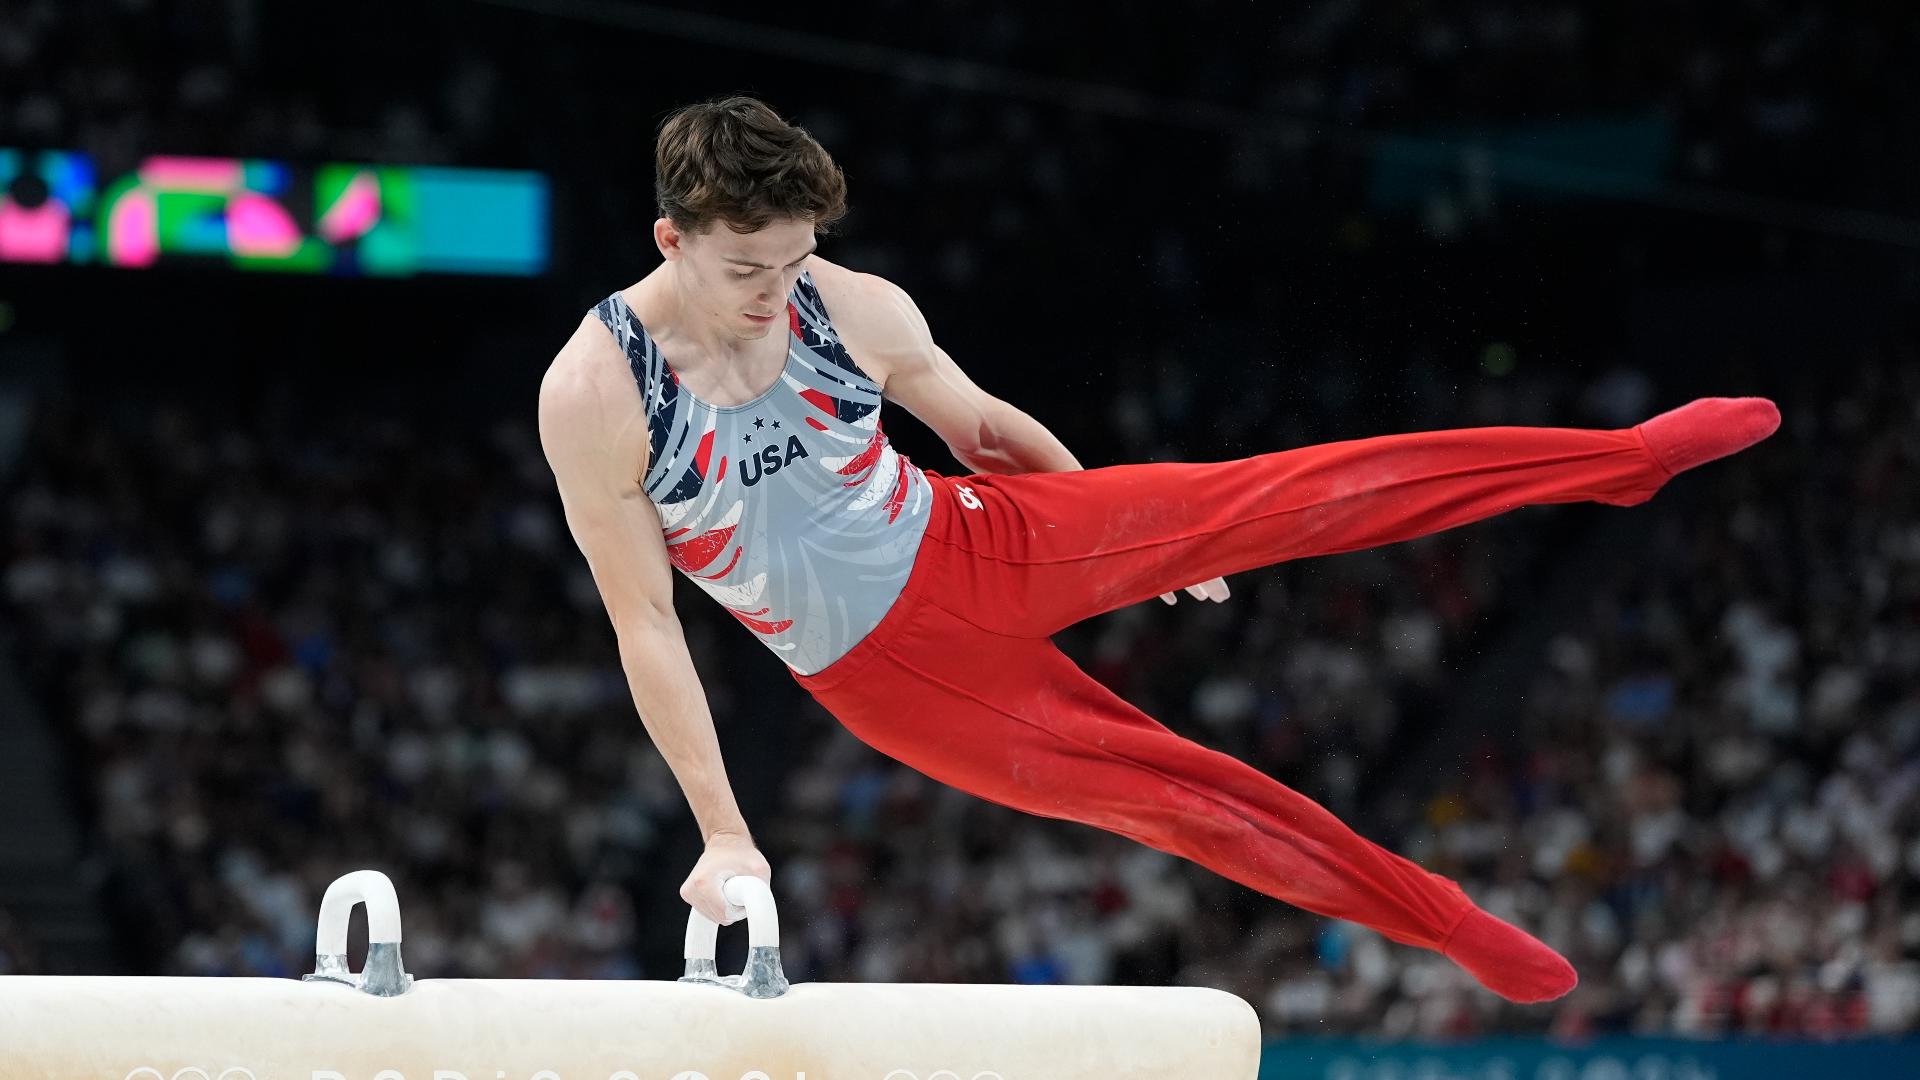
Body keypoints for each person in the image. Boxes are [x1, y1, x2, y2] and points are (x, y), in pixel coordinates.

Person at [537, 95, 1779, 1004]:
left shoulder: (849, 305)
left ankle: (1619, 462)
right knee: (1181, 796)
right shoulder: (599, 394)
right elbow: (647, 625)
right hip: (895, 676)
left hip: (978, 538)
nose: (777, 290)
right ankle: (1443, 921)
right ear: (671, 240)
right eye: (751, 267)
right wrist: (723, 833)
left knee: (1280, 493)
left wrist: (1130, 529)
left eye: (796, 259)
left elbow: (977, 429)